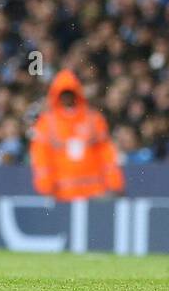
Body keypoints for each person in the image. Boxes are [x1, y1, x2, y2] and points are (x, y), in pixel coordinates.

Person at [30, 69, 123, 202]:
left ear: (77, 93)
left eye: (70, 93)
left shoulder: (93, 119)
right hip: (61, 193)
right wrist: (45, 183)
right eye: (63, 94)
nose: (67, 98)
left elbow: (106, 152)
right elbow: (40, 154)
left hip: (93, 192)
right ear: (56, 95)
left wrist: (114, 181)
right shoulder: (47, 122)